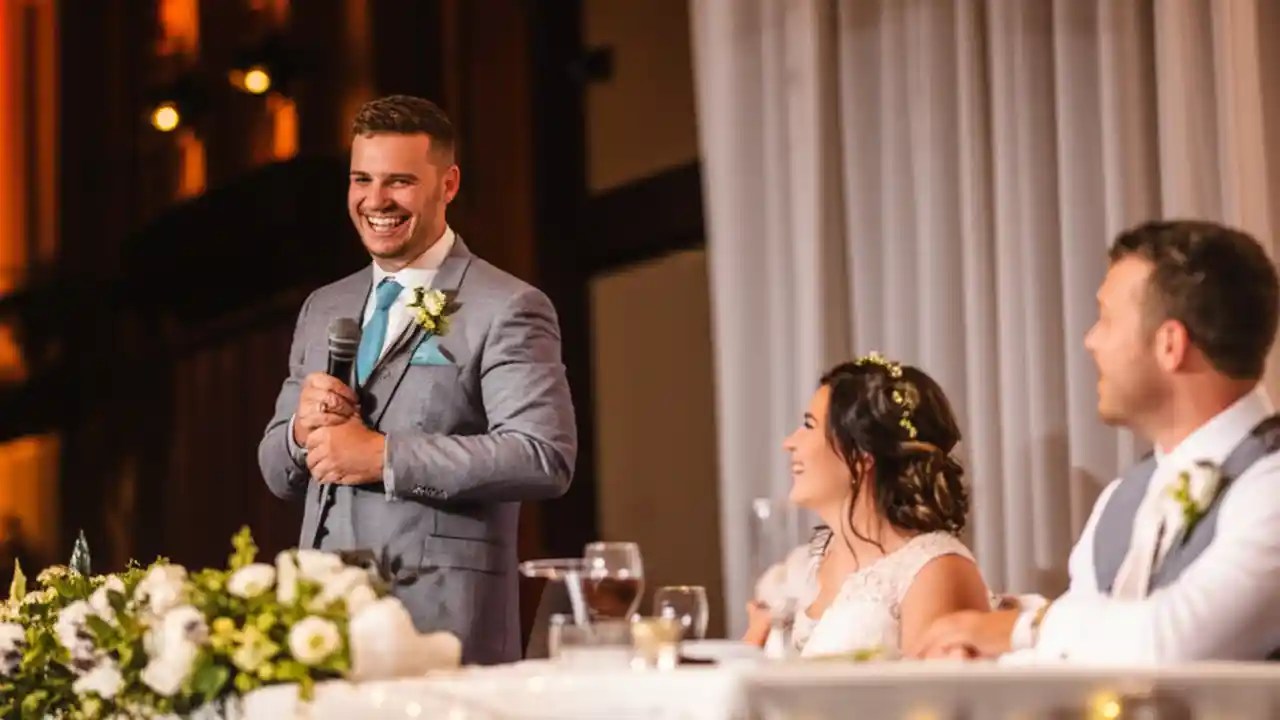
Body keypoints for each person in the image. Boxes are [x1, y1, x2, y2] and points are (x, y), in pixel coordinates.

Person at [258, 95, 577, 665]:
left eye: (399, 182)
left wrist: (383, 457)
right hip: (320, 626)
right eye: (362, 179)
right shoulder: (323, 306)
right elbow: (277, 470)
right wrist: (301, 432)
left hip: (440, 625)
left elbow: (542, 455)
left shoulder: (505, 305)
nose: (375, 200)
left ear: (447, 184)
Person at [912, 220, 1280, 663]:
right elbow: (1078, 656)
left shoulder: (1270, 482)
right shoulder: (1121, 498)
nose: (1090, 341)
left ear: (1170, 345)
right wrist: (980, 655)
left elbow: (1174, 641)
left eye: (1105, 319)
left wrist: (1024, 628)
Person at [743, 354, 991, 658]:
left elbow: (940, 701)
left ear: (862, 456)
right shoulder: (804, 568)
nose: (789, 443)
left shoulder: (933, 571)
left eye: (808, 426)